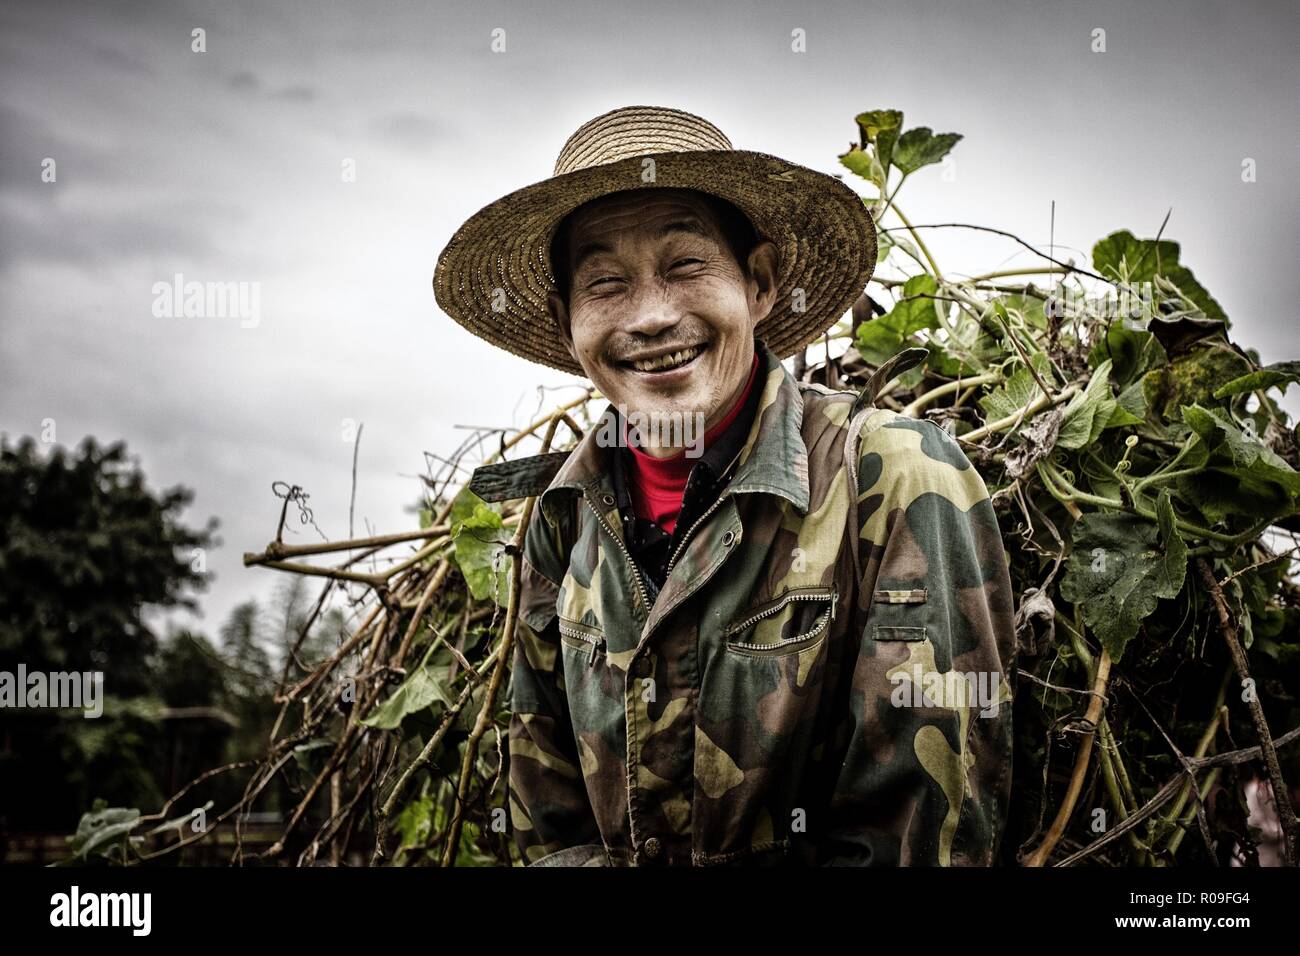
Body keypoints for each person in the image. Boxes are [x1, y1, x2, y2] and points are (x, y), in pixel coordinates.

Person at [434, 105, 1016, 866]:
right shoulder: (562, 522)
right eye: (605, 282)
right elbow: (548, 826)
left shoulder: (892, 479)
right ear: (566, 318)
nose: (649, 316)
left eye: (685, 265)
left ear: (761, 283)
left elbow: (920, 838)